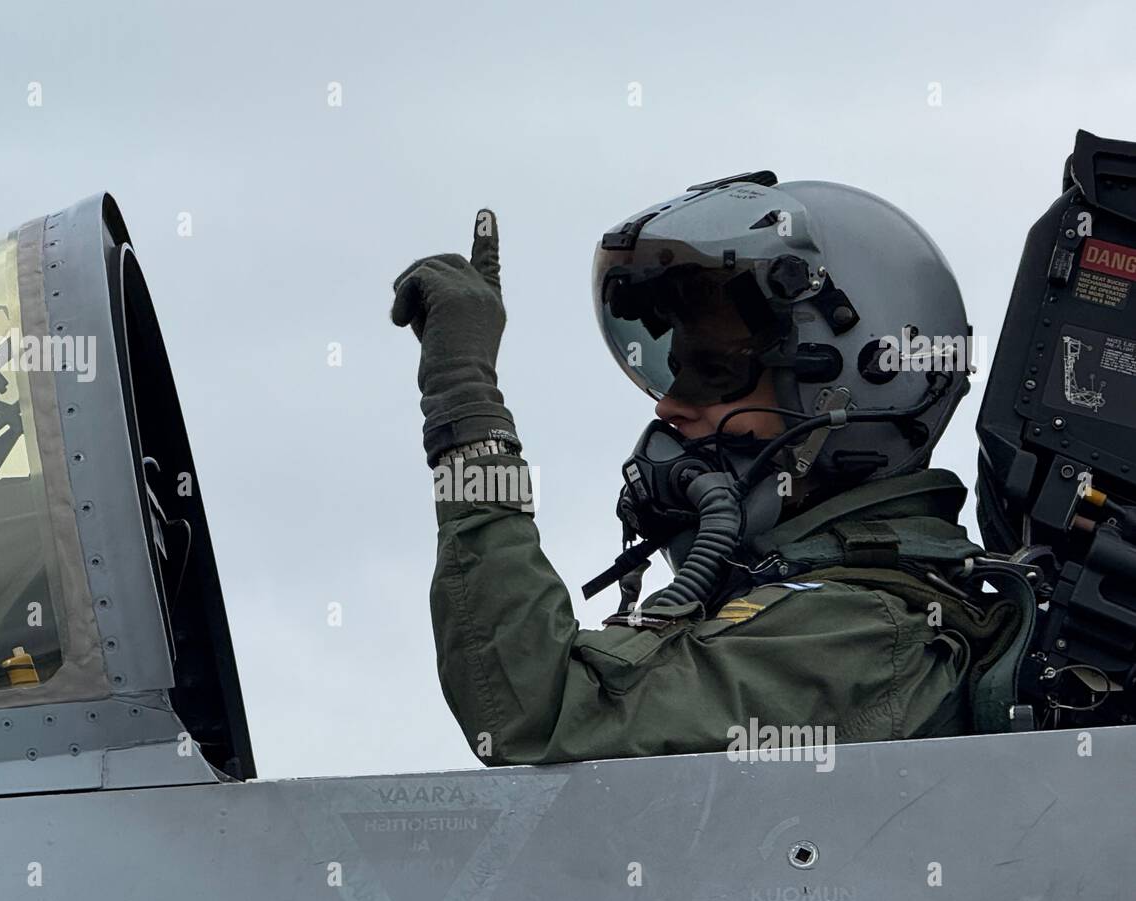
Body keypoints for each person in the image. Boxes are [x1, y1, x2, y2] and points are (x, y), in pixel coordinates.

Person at [391, 174, 1024, 766]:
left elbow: (535, 709)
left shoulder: (861, 634)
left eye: (718, 372)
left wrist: (464, 402)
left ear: (853, 397)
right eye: (676, 370)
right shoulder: (802, 599)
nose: (670, 406)